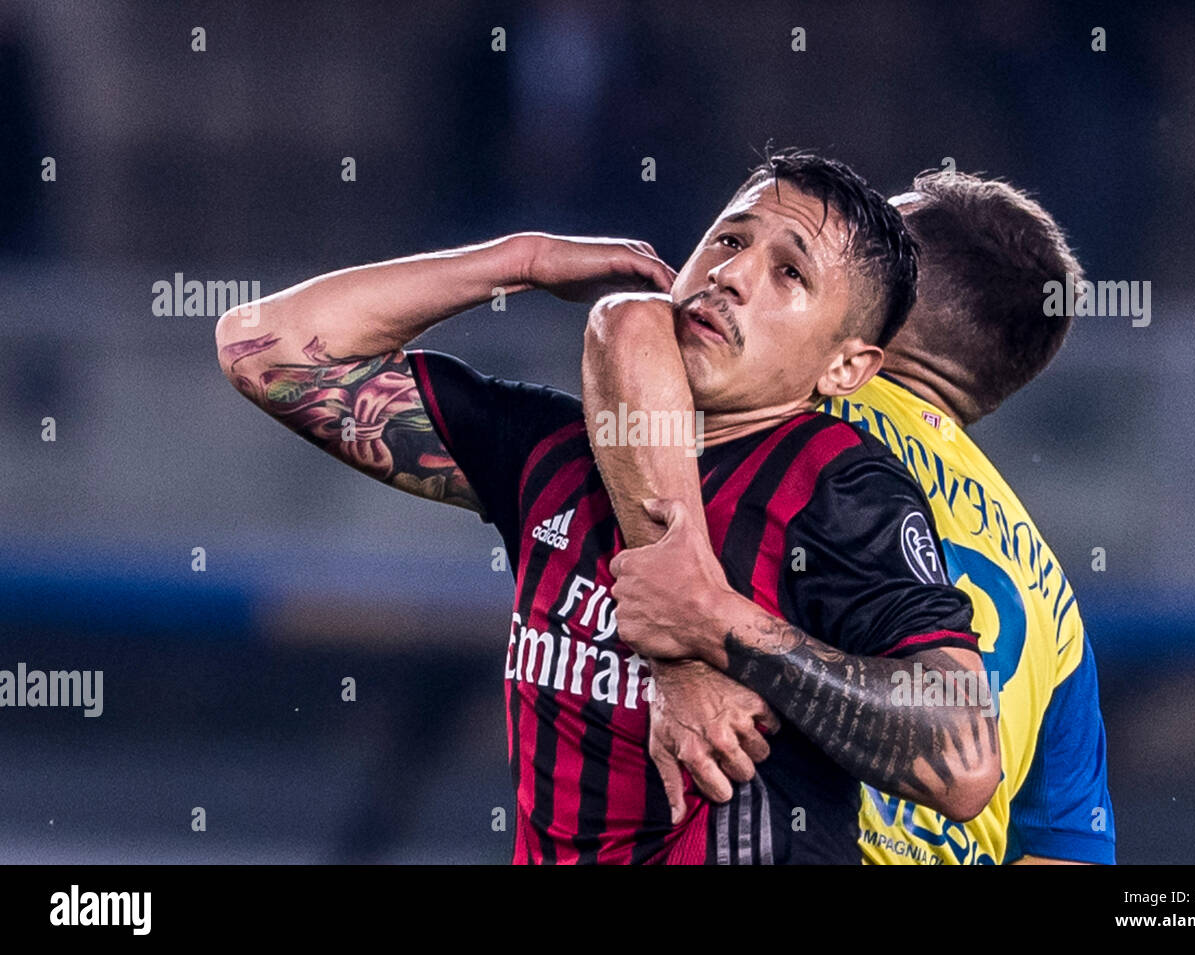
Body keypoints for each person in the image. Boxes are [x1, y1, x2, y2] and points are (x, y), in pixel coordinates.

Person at [214, 152, 998, 864]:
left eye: (789, 273)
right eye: (728, 240)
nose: (732, 274)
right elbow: (266, 348)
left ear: (846, 364)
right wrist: (518, 260)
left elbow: (965, 764)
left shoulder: (837, 489)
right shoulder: (554, 448)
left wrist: (722, 628)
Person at [583, 163, 1114, 865]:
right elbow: (1069, 850)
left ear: (884, 303)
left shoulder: (790, 412)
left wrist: (693, 623)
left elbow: (632, 331)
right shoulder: (1054, 599)